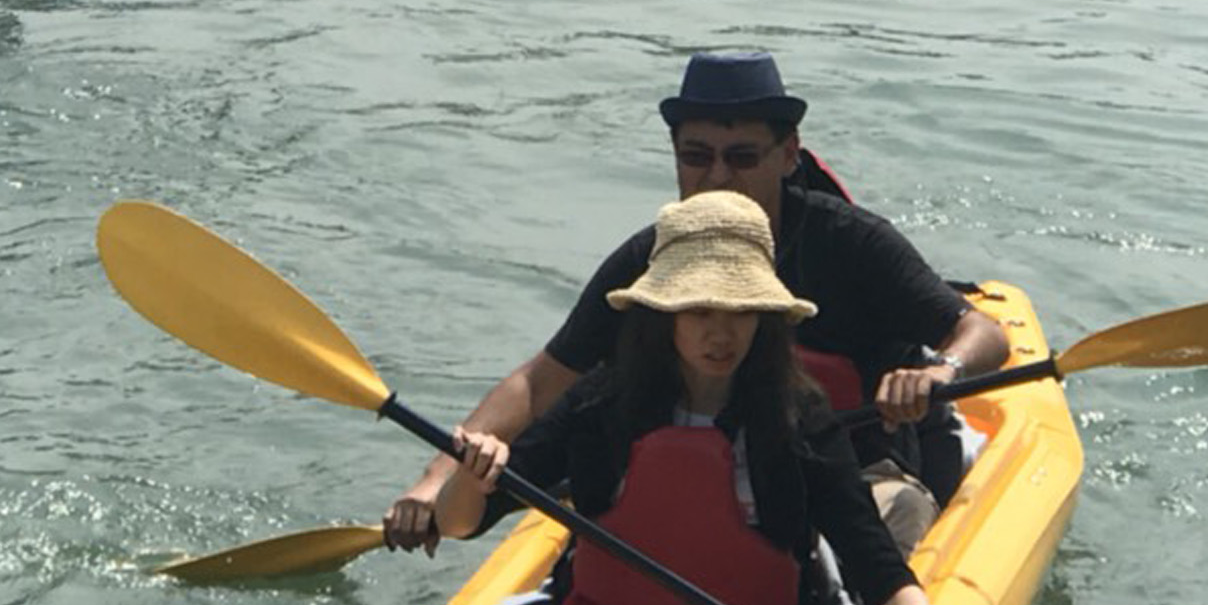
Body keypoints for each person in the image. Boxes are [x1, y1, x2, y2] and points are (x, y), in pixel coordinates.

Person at [385, 50, 1010, 553]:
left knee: (889, 521)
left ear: (789, 154)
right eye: (696, 156)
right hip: (704, 474)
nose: (716, 177)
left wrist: (940, 371)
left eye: (742, 158)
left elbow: (983, 331)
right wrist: (439, 480)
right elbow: (542, 381)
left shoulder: (853, 242)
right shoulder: (652, 261)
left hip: (854, 471)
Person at [433, 192, 967, 605]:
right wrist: (472, 475)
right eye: (701, 311)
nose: (721, 334)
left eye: (740, 312)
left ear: (765, 318)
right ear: (664, 314)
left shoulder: (797, 420)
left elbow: (876, 566)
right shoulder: (601, 405)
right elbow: (460, 521)